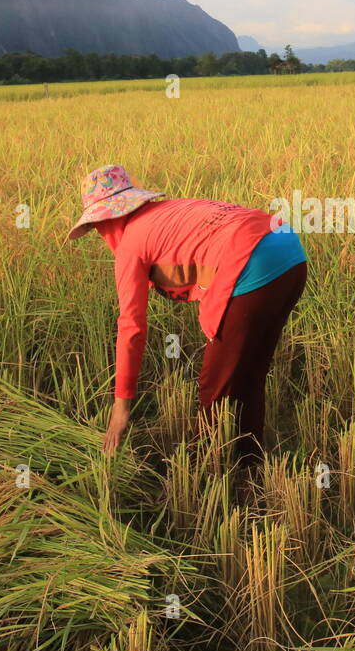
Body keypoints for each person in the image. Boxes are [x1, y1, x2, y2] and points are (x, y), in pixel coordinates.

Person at [66, 165, 307, 473]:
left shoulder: (130, 245)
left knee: (213, 388)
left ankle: (201, 475)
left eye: (97, 226)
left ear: (106, 220)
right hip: (289, 249)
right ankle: (251, 467)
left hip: (252, 260)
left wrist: (121, 407)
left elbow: (131, 327)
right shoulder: (167, 212)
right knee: (250, 374)